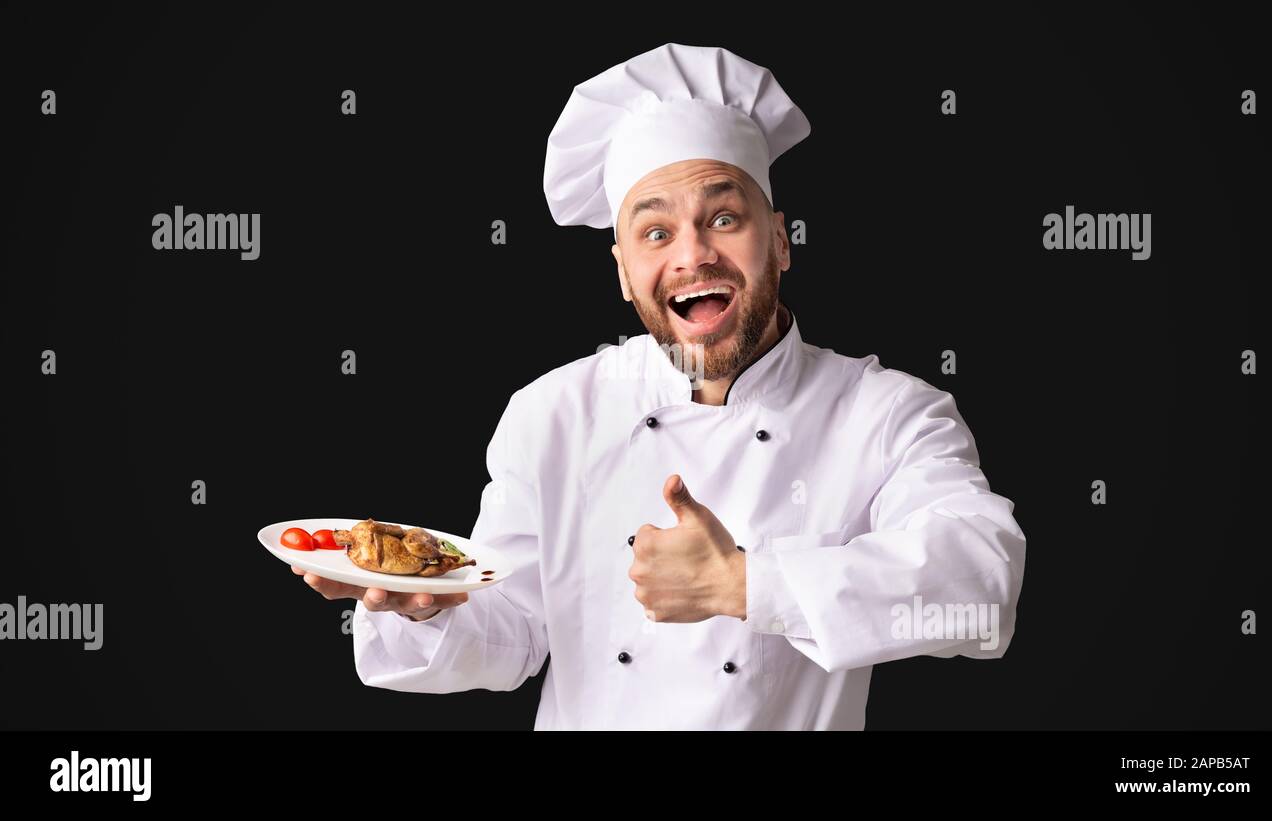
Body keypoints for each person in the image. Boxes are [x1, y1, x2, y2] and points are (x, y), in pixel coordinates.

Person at [295, 43, 1027, 730]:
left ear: (779, 239)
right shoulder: (552, 414)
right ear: (621, 271)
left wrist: (744, 584)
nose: (693, 254)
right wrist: (426, 607)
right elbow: (511, 634)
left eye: (724, 217)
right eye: (655, 232)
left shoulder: (888, 413)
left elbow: (981, 591)